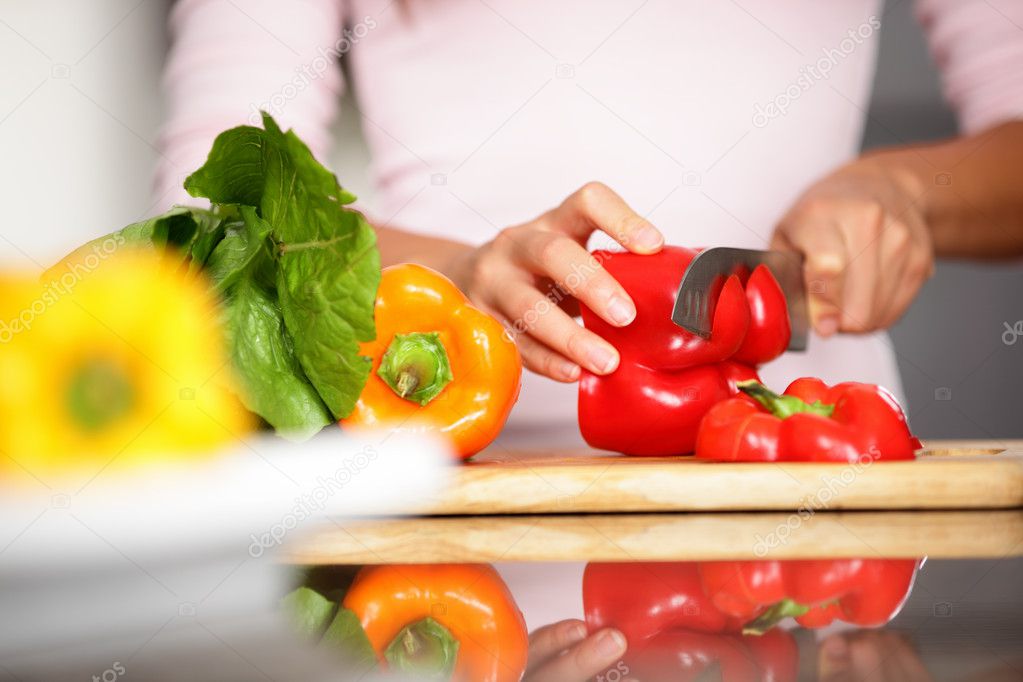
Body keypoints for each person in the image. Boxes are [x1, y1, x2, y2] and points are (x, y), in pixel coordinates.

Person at [155, 1, 1023, 678]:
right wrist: (458, 268)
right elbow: (213, 208)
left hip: (816, 501)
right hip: (439, 510)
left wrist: (908, 189)